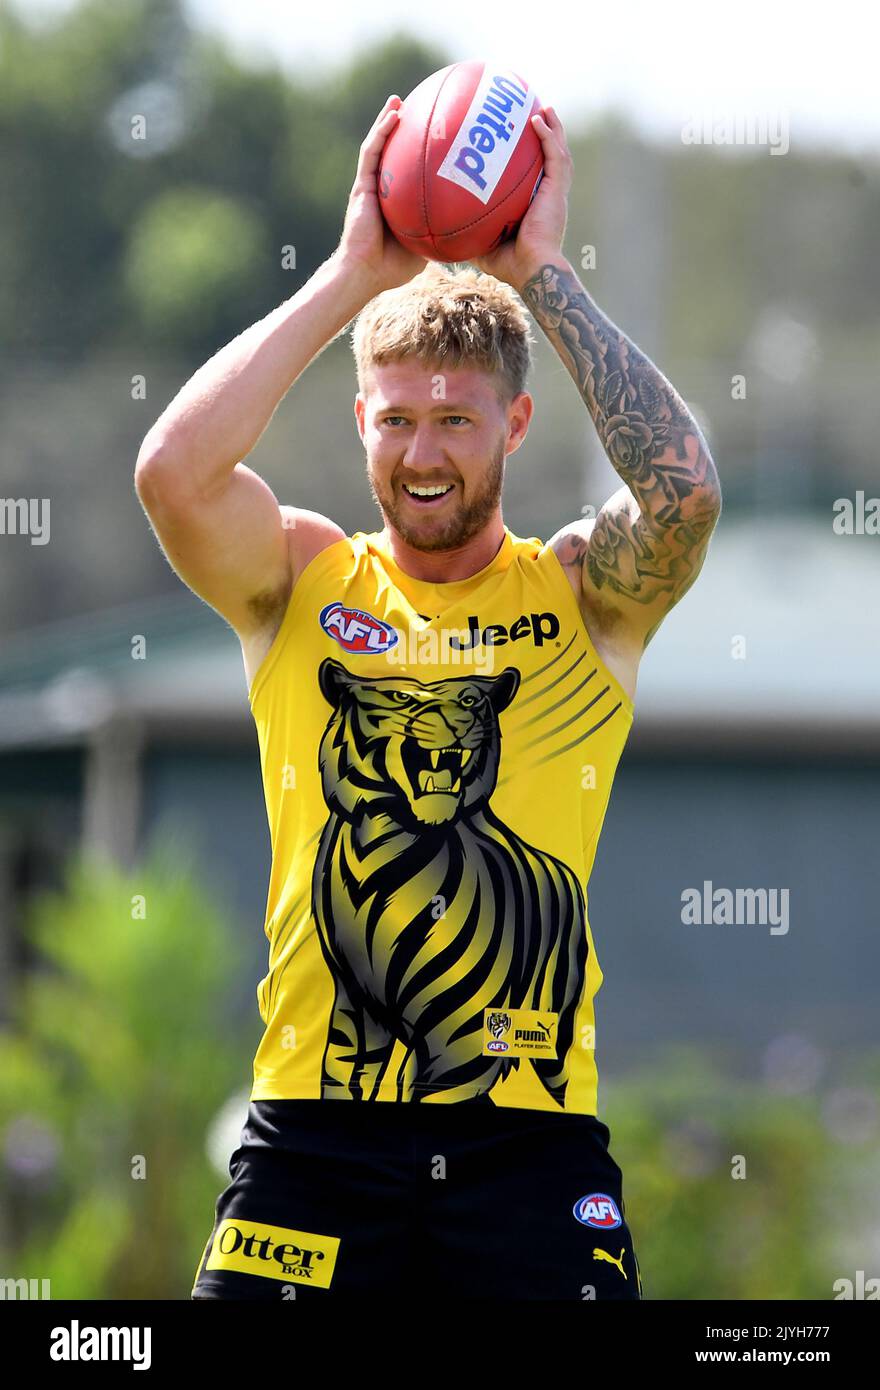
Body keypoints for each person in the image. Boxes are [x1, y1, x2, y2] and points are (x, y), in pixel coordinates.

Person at [135, 94, 721, 1302]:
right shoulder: (298, 579)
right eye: (396, 419)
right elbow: (174, 476)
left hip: (527, 1142)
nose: (422, 454)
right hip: (312, 1136)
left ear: (513, 421)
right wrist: (353, 272)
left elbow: (683, 500)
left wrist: (543, 273)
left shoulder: (581, 596)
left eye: (455, 419)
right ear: (361, 422)